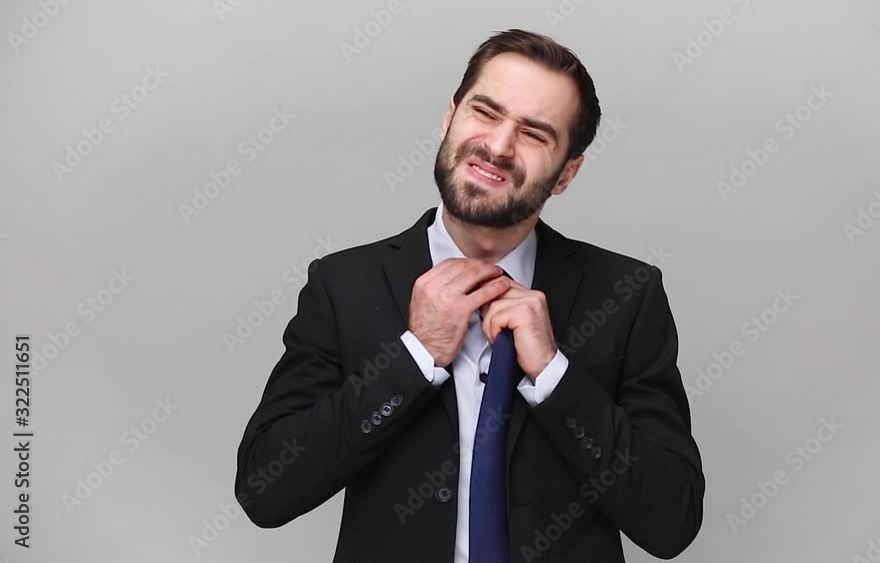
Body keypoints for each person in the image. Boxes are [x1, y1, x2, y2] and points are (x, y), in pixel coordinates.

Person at [235, 28, 704, 563]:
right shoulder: (343, 285)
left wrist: (554, 375)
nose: (498, 147)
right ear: (451, 116)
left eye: (534, 134)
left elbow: (672, 523)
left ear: (566, 173)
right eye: (485, 112)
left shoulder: (626, 295)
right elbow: (264, 490)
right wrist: (415, 358)